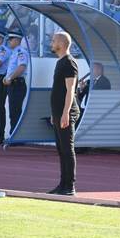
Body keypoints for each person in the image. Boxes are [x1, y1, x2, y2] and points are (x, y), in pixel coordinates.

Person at [48, 31, 80, 195]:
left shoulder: (69, 63)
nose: (51, 43)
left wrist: (66, 113)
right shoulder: (60, 62)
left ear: (61, 43)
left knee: (68, 149)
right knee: (61, 149)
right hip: (58, 113)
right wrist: (55, 114)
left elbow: (70, 90)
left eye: (54, 41)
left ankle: (70, 185)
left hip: (66, 113)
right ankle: (63, 184)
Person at [1, 32, 30, 139]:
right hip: (13, 84)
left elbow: (21, 67)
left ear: (17, 40)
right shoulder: (14, 52)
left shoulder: (20, 51)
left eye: (11, 39)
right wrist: (6, 78)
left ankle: (16, 136)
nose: (9, 41)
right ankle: (14, 135)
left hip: (17, 84)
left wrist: (10, 78)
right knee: (13, 111)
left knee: (15, 111)